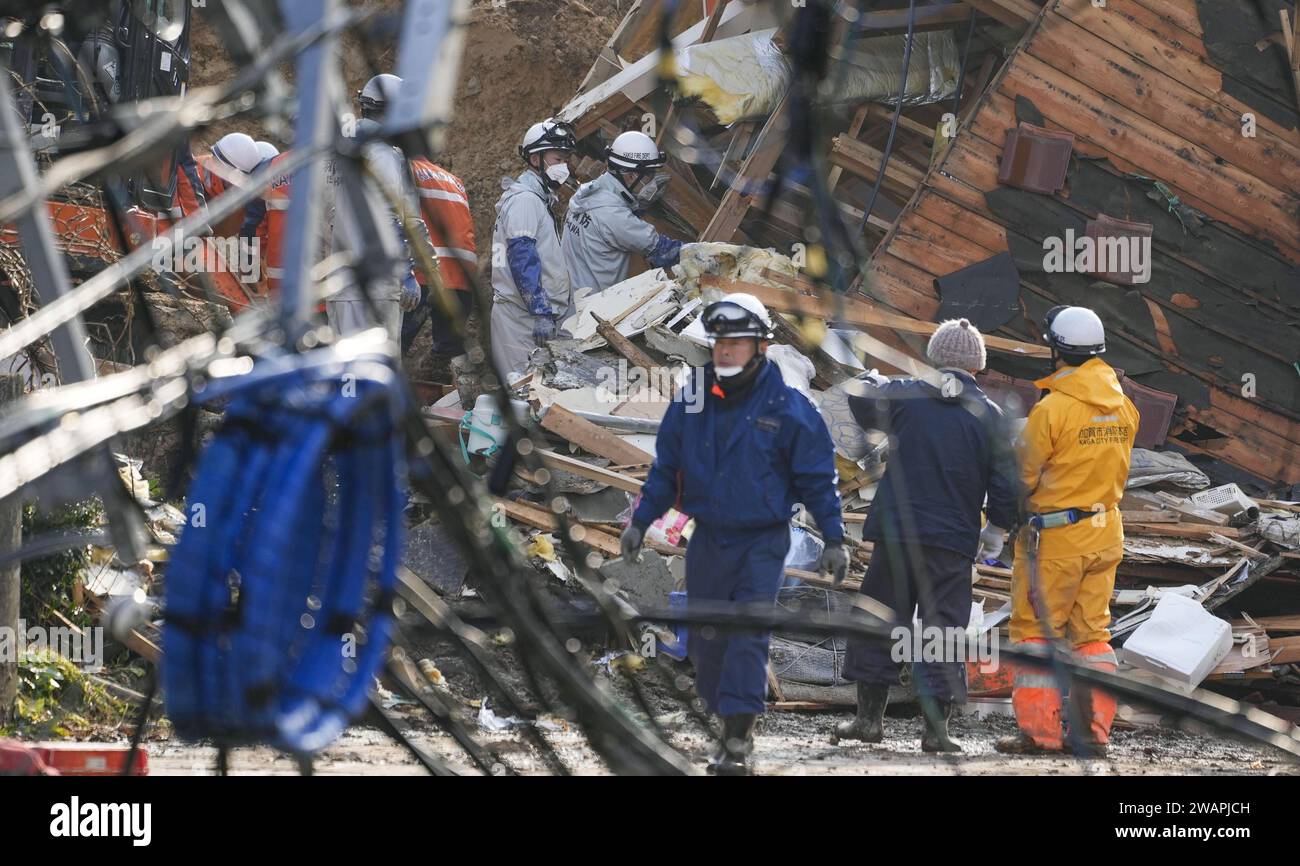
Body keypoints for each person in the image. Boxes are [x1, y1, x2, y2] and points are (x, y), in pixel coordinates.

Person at [620, 293, 848, 775]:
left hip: (762, 543)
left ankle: (737, 740)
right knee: (707, 645)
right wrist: (641, 521)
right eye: (719, 342)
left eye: (736, 343)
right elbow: (667, 468)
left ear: (761, 346)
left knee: (747, 636)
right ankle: (726, 718)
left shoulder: (790, 407)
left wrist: (833, 537)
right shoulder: (695, 399)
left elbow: (817, 477)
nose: (724, 351)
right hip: (708, 541)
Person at [834, 319, 1019, 753]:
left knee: (880, 621)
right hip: (951, 543)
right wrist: (995, 531)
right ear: (979, 366)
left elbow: (857, 397)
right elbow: (1007, 486)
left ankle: (868, 722)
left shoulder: (904, 396)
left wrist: (869, 376)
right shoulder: (991, 418)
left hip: (898, 536)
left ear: (935, 358)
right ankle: (936, 733)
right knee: (943, 632)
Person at [996, 306, 1138, 757]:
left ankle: (1040, 735)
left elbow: (1022, 475)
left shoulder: (1052, 409)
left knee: (1036, 632)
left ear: (1055, 349)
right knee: (1093, 636)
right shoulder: (1123, 405)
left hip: (1056, 540)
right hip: (1105, 532)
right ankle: (1092, 735)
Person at [489, 119, 576, 378]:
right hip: (522, 321)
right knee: (524, 391)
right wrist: (540, 311)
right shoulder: (525, 201)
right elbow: (522, 256)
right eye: (558, 158)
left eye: (566, 160)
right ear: (536, 159)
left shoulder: (537, 199)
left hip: (537, 319)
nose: (564, 166)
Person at [561, 131, 683, 293]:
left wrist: (639, 206)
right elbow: (663, 251)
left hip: (573, 298)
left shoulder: (587, 194)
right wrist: (708, 252)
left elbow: (610, 228)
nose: (652, 181)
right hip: (598, 307)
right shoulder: (614, 215)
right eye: (649, 175)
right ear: (632, 176)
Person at [403, 150, 477, 366]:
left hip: (425, 276)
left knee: (395, 344)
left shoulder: (404, 168)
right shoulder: (455, 181)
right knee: (452, 352)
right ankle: (461, 396)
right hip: (461, 280)